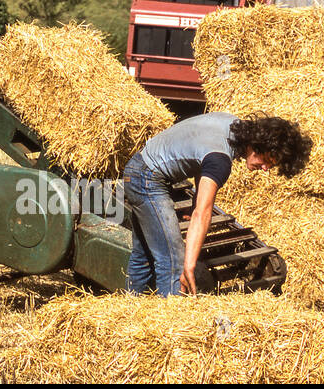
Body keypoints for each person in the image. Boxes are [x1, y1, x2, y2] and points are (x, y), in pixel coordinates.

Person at [124, 111, 311, 297]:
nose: (265, 168)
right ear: (258, 145)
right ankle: (170, 323)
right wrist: (188, 265)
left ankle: (131, 311)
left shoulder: (231, 124)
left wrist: (195, 201)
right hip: (147, 179)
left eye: (272, 165)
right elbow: (202, 214)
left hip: (139, 167)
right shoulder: (220, 160)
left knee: (144, 257)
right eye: (267, 160)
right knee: (174, 263)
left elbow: (201, 155)